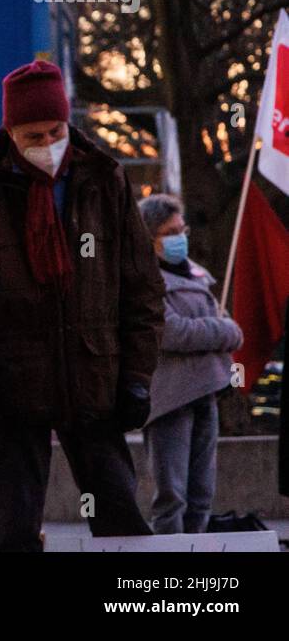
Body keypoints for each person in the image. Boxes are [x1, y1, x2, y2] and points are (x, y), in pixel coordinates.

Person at [0, 60, 164, 551]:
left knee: (121, 523)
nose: (46, 144)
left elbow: (141, 288)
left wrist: (137, 379)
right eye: (31, 135)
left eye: (54, 131)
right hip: (11, 388)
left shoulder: (106, 180)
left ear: (68, 124)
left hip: (94, 381)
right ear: (9, 132)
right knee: (17, 532)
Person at [137, 193, 242, 534]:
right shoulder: (144, 280)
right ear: (149, 238)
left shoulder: (197, 274)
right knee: (172, 496)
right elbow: (172, 333)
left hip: (207, 390)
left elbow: (233, 329)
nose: (179, 238)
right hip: (171, 399)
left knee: (201, 494)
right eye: (169, 232)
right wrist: (221, 332)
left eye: (181, 229)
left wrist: (222, 331)